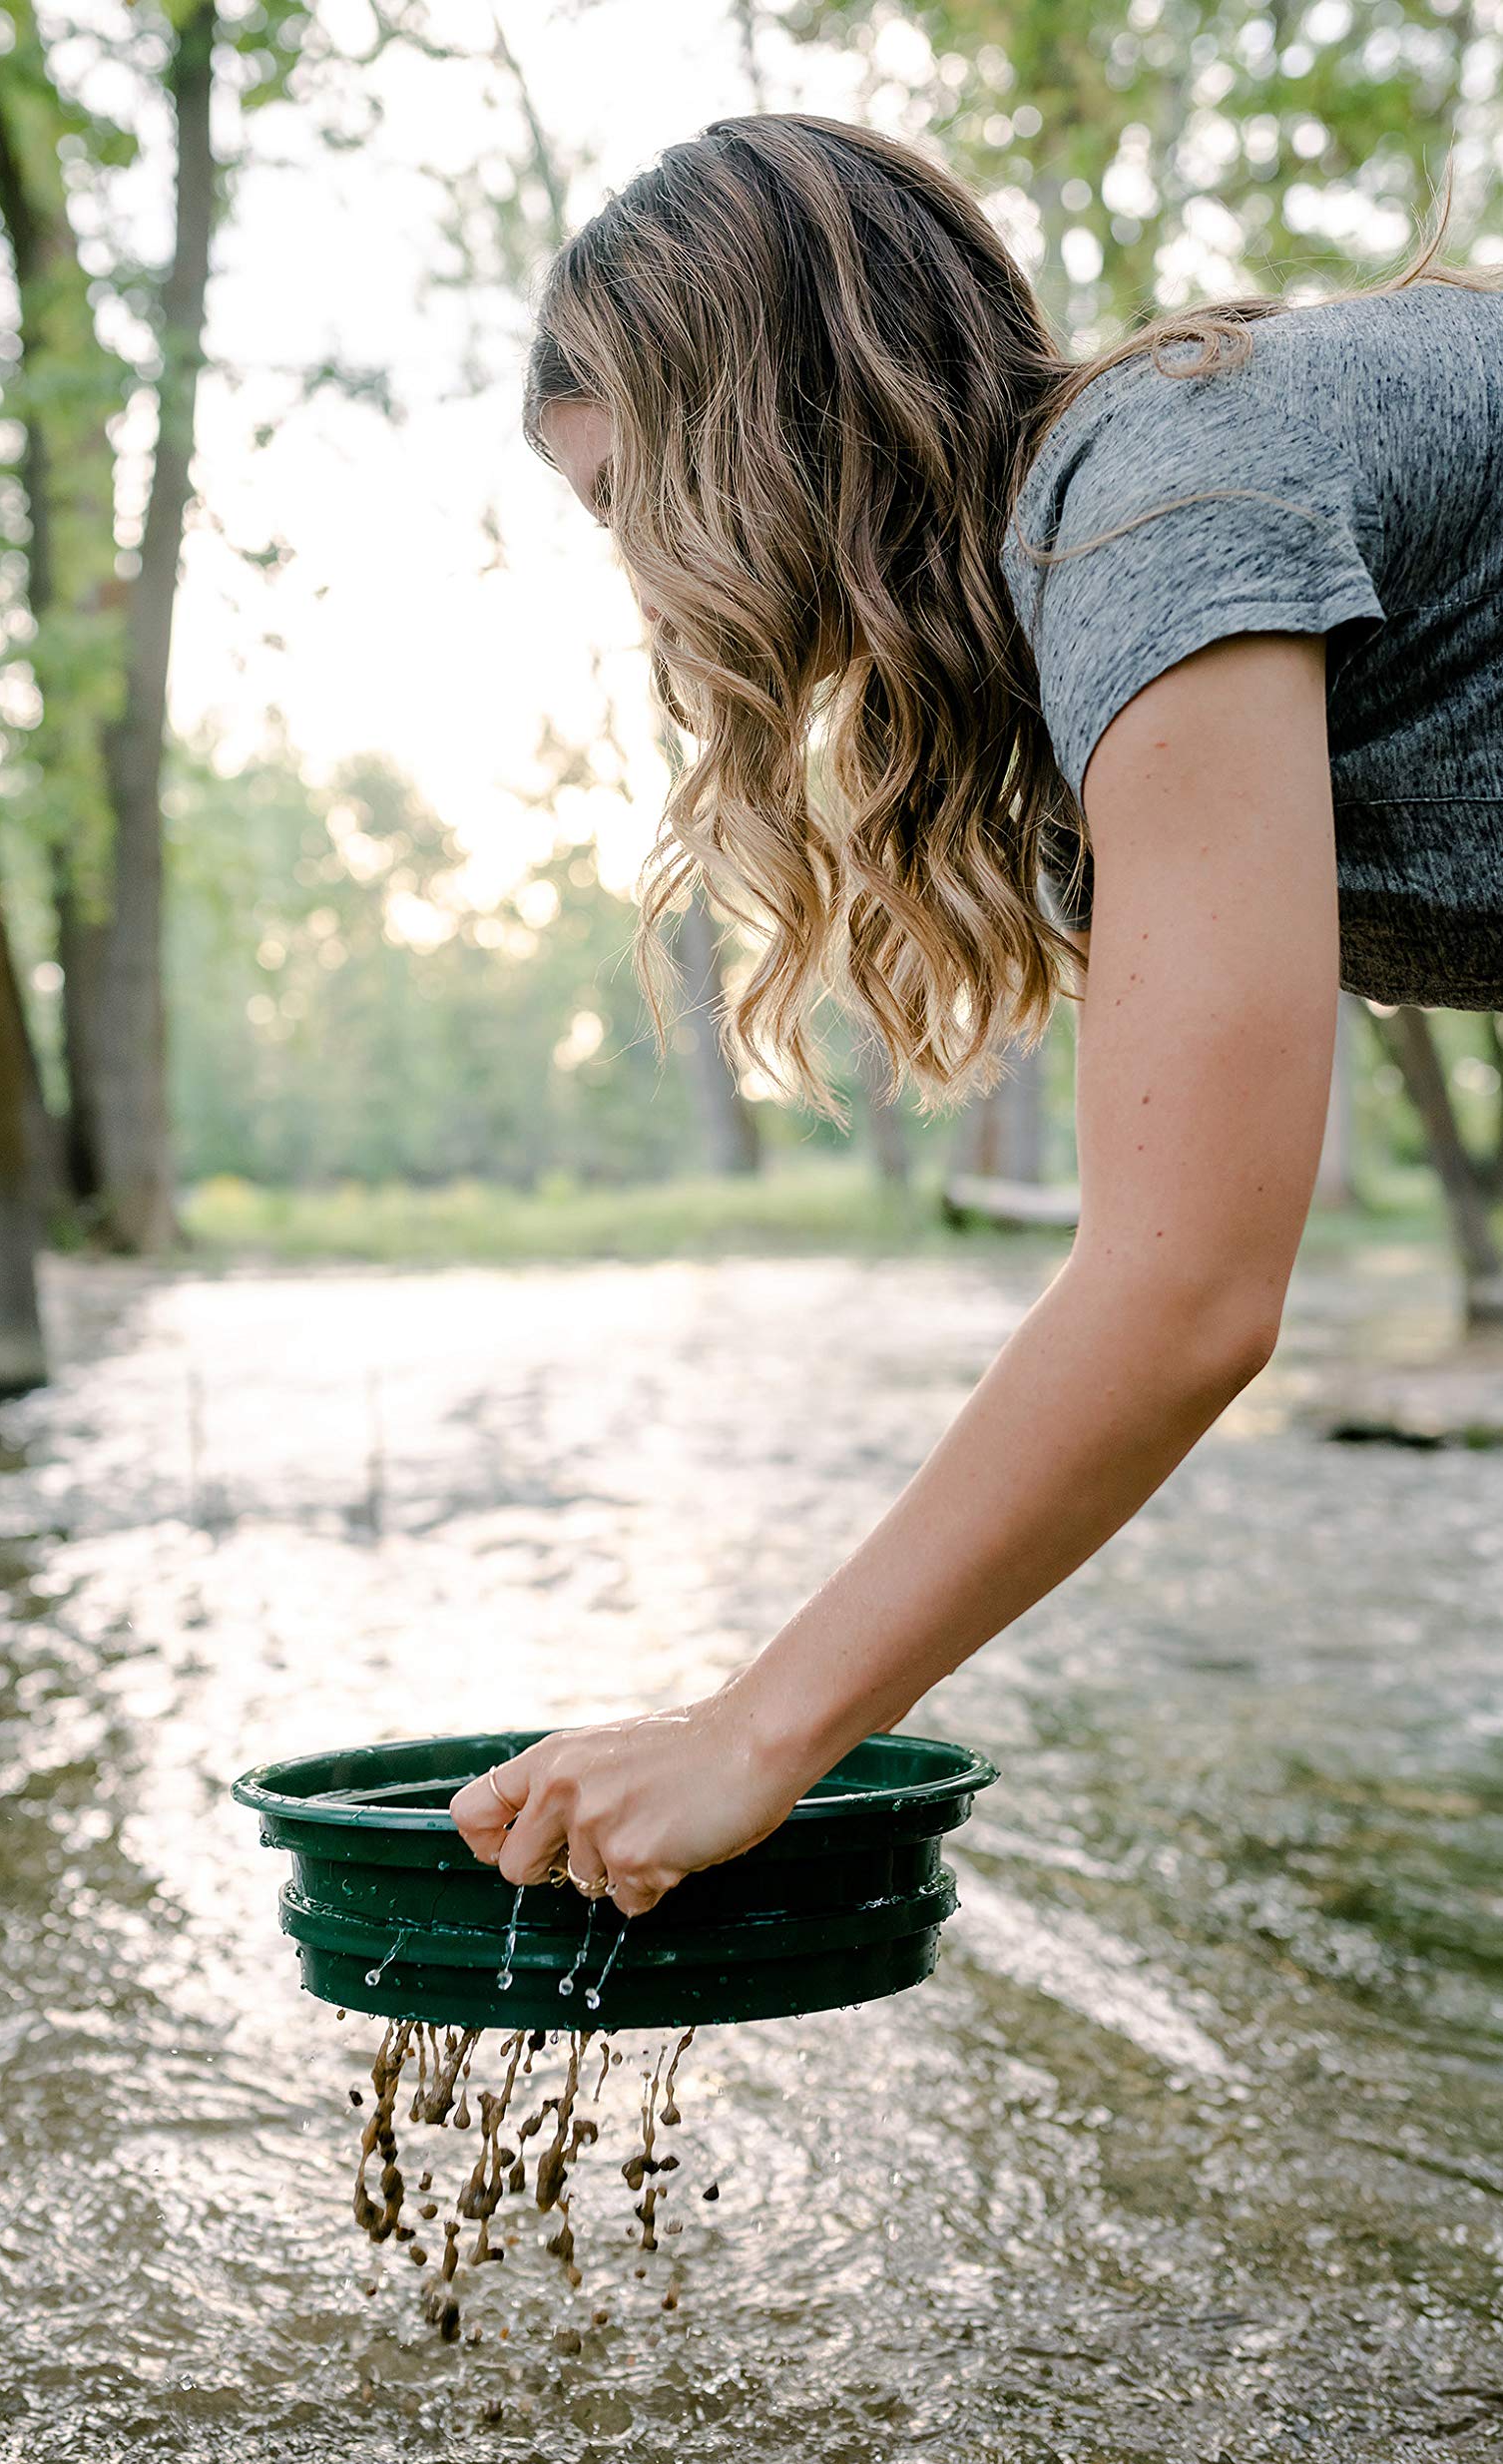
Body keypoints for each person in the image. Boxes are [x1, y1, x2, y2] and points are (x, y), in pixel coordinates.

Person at [450, 112, 1503, 1916]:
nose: (640, 587)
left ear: (763, 429)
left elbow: (1185, 1290)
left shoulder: (1159, 499)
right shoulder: (1101, 618)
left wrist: (755, 1732)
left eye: (631, 506)